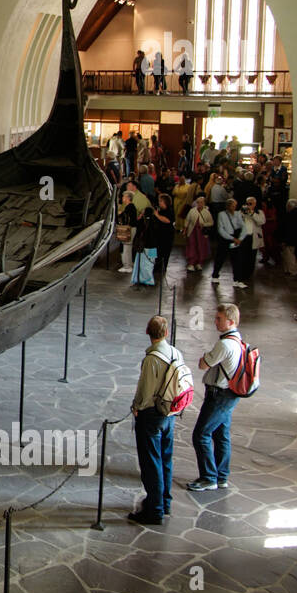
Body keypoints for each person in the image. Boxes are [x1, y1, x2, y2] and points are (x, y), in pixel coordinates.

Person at [129, 316, 183, 524]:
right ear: (166, 333)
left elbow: (145, 390)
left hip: (151, 415)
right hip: (168, 414)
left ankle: (155, 509)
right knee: (165, 459)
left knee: (151, 463)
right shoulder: (175, 352)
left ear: (147, 333)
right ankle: (165, 501)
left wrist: (136, 407)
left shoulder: (152, 359)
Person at [189, 304, 244, 491]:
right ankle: (221, 476)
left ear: (231, 322)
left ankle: (208, 477)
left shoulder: (224, 344)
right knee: (221, 435)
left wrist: (205, 357)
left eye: (219, 319)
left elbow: (203, 364)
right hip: (229, 394)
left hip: (219, 395)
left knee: (201, 434)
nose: (215, 321)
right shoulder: (237, 340)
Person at [212, 198, 245, 287]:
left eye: (235, 206)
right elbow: (221, 229)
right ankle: (215, 275)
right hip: (225, 239)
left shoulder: (238, 214)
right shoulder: (221, 215)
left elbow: (243, 226)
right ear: (228, 206)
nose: (234, 207)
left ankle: (237, 279)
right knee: (220, 258)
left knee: (236, 259)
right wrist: (231, 238)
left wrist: (240, 238)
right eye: (232, 206)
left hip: (235, 238)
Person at [238, 196, 265, 288]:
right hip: (244, 237)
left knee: (252, 257)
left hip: (253, 237)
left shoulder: (259, 212)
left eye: (251, 204)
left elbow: (261, 221)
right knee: (242, 256)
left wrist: (252, 213)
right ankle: (241, 274)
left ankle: (248, 274)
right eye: (247, 203)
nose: (248, 205)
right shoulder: (242, 211)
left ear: (255, 204)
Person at [184, 195, 213, 272]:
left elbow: (211, 222)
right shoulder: (192, 211)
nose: (199, 204)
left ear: (204, 203)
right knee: (192, 246)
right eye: (198, 202)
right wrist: (185, 229)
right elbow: (187, 220)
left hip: (202, 233)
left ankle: (199, 263)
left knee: (201, 247)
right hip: (192, 232)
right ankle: (191, 263)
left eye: (201, 202)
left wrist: (204, 225)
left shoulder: (207, 212)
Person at [154, 192, 176, 276]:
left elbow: (168, 220)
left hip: (167, 236)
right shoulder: (160, 210)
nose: (159, 203)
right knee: (158, 252)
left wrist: (157, 215)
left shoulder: (169, 210)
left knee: (165, 252)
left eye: (160, 201)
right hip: (159, 235)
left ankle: (162, 268)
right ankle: (157, 267)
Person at [117, 189, 138, 274]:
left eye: (123, 196)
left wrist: (120, 213)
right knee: (127, 247)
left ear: (128, 198)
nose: (122, 198)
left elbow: (123, 216)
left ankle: (127, 266)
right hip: (131, 228)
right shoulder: (130, 207)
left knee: (127, 247)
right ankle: (128, 264)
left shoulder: (130, 207)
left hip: (129, 229)